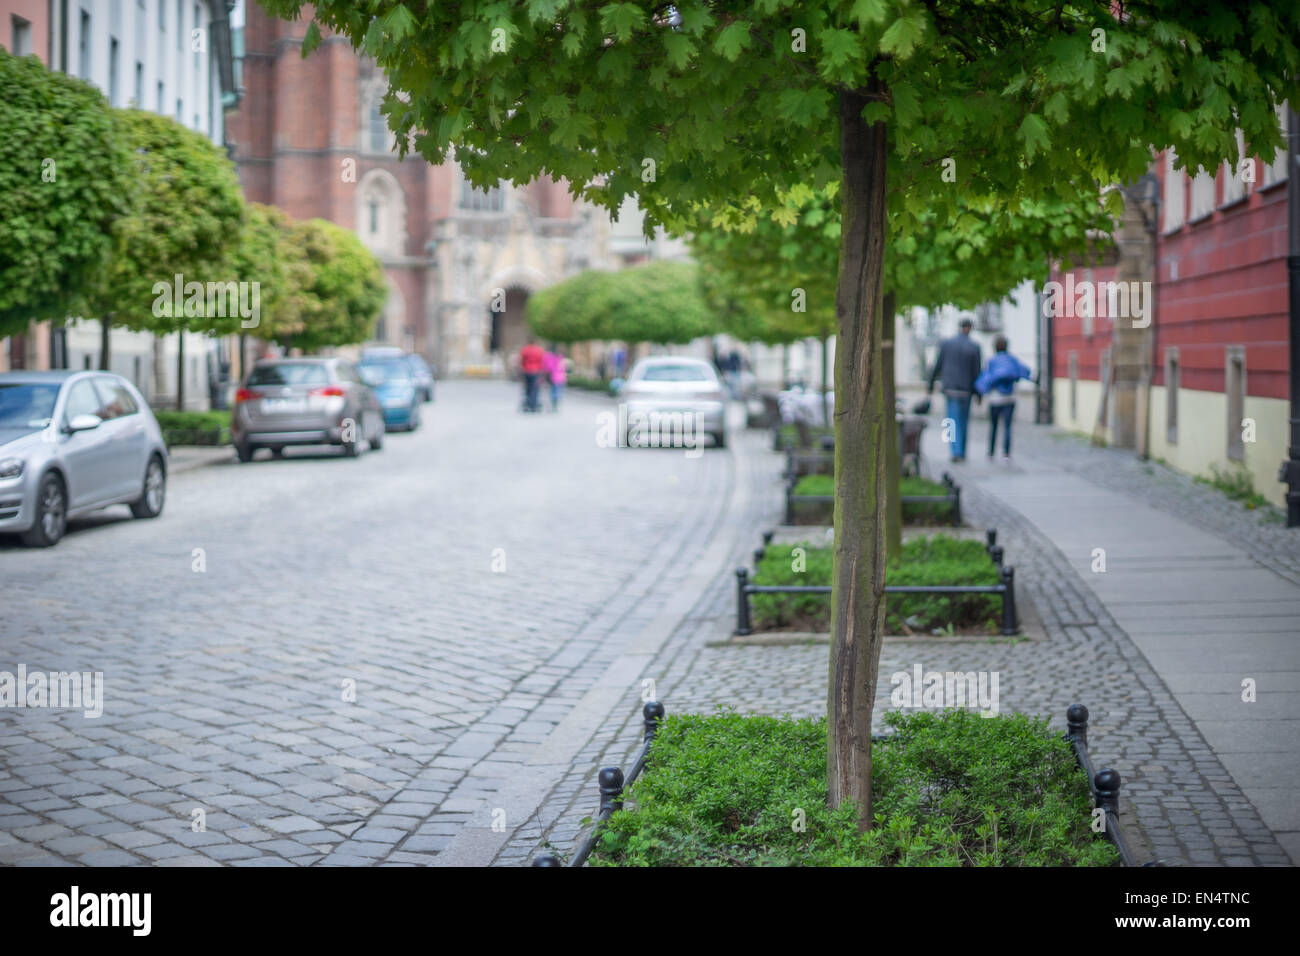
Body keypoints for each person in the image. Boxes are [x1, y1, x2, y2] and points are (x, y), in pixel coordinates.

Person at [927, 318, 982, 462]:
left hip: (950, 389)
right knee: (964, 421)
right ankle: (962, 451)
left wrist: (931, 384)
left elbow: (938, 365)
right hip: (966, 390)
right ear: (970, 329)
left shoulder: (946, 344)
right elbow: (977, 372)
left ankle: (955, 451)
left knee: (952, 421)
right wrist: (979, 393)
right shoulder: (974, 347)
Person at [975, 335, 1034, 461]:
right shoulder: (1012, 360)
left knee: (994, 426)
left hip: (995, 400)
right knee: (1007, 426)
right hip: (1010, 399)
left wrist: (979, 392)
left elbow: (984, 380)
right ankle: (1006, 453)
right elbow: (1025, 372)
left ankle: (991, 452)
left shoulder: (991, 361)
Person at [519, 338, 545, 412]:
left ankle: (528, 404)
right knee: (535, 389)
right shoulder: (539, 350)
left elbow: (522, 360)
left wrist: (522, 369)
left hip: (527, 371)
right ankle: (533, 404)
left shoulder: (525, 349)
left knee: (528, 388)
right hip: (536, 371)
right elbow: (541, 362)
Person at [543, 348, 567, 412]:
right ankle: (555, 404)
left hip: (554, 377)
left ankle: (554, 404)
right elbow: (564, 368)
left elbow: (548, 368)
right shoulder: (562, 358)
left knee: (554, 391)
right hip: (561, 378)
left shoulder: (552, 359)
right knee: (558, 391)